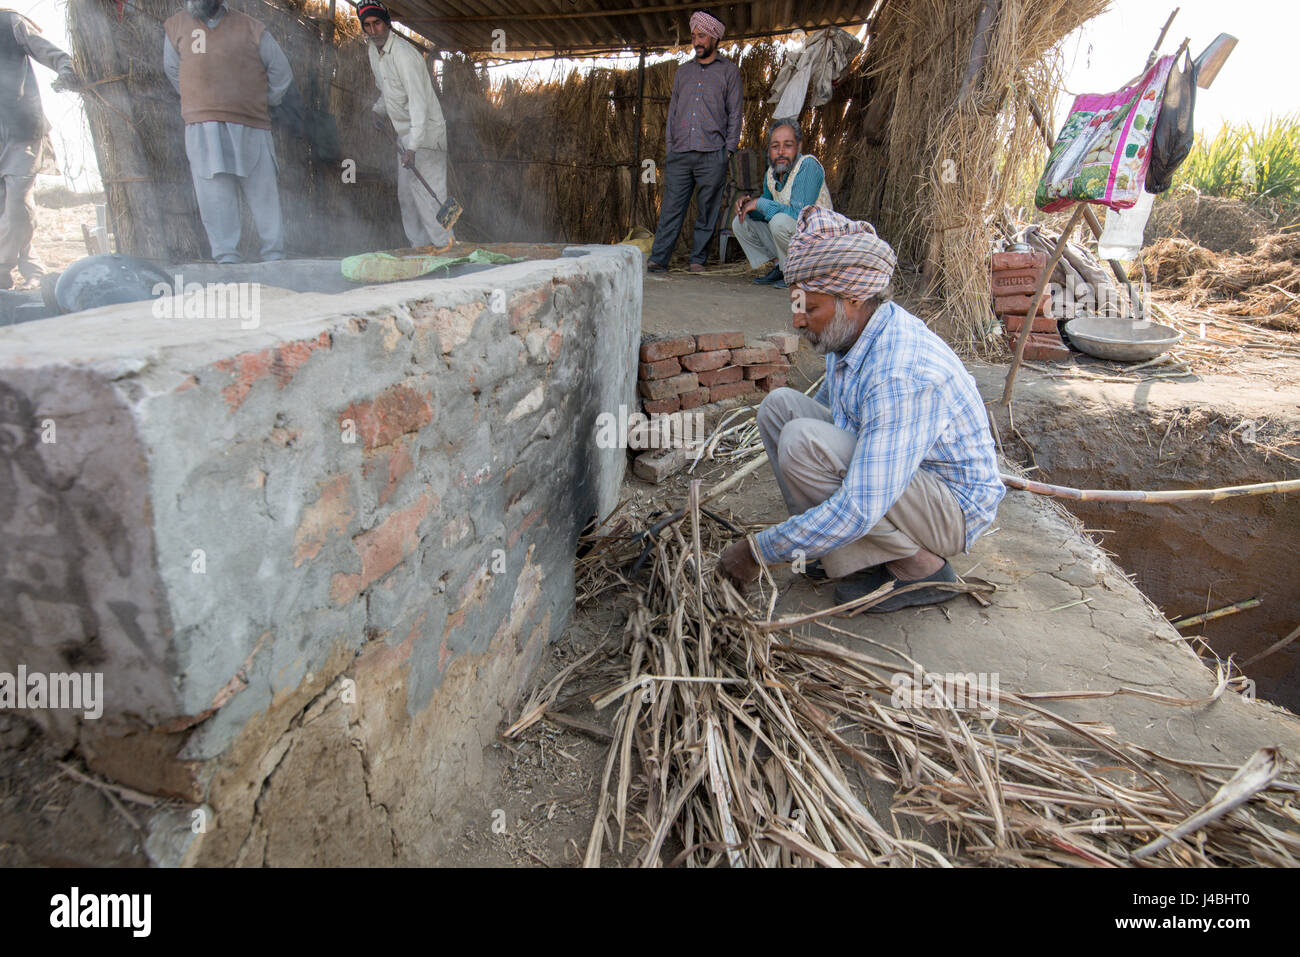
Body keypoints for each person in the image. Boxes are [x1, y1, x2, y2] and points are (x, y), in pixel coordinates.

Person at [718, 207, 1005, 613]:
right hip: (906, 483)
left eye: (810, 308)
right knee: (779, 409)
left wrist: (756, 552)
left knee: (803, 442)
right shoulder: (851, 334)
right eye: (797, 306)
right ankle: (835, 548)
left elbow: (858, 504)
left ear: (852, 299)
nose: (798, 321)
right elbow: (834, 425)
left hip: (950, 510)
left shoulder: (900, 372)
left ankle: (918, 568)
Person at [164, 0, 292, 264]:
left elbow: (281, 72)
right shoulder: (176, 26)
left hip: (251, 124)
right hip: (202, 126)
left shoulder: (252, 28)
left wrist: (261, 100)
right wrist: (200, 100)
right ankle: (227, 259)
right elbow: (173, 71)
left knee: (262, 191)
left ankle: (274, 257)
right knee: (214, 193)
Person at [646, 9, 741, 275]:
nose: (696, 41)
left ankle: (697, 260)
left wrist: (728, 151)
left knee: (708, 211)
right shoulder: (682, 73)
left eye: (702, 36)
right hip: (680, 152)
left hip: (713, 153)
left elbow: (735, 113)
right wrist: (670, 146)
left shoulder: (729, 72)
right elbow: (673, 112)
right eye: (694, 36)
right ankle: (659, 259)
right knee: (670, 209)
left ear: (714, 38)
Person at [360, 1, 452, 249]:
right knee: (408, 198)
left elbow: (418, 105)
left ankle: (448, 249)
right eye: (367, 26)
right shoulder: (373, 52)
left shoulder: (404, 55)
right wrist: (378, 110)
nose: (373, 30)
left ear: (386, 23)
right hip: (407, 137)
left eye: (377, 23)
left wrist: (413, 147)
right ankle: (419, 249)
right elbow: (388, 90)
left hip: (426, 136)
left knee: (430, 198)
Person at [0, 9, 81, 289]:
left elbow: (53, 54)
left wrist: (66, 70)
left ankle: (2, 268)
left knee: (18, 206)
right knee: (5, 211)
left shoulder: (10, 23)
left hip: (21, 130)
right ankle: (32, 268)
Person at [732, 117, 832, 289]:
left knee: (779, 221)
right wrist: (748, 207)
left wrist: (761, 204)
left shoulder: (807, 166)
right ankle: (781, 266)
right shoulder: (771, 173)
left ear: (798, 147)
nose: (781, 152)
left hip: (818, 243)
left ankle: (801, 274)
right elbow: (766, 211)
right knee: (741, 222)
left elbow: (800, 215)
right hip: (794, 237)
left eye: (787, 145)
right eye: (775, 146)